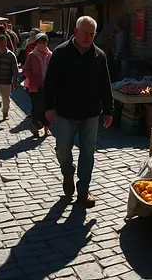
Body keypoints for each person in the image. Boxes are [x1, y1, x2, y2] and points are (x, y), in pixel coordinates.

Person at [44, 16, 114, 208]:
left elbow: (105, 85)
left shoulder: (99, 56)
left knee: (88, 152)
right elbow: (49, 83)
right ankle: (67, 172)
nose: (88, 37)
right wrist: (48, 107)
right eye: (85, 33)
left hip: (91, 113)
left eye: (92, 34)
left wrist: (108, 110)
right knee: (62, 149)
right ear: (76, 32)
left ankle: (83, 190)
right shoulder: (60, 53)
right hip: (66, 112)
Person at [24, 33, 53, 137]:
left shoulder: (50, 54)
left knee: (48, 107)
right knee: (37, 108)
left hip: (48, 86)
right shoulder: (32, 55)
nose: (42, 45)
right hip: (35, 86)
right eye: (40, 42)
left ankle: (46, 128)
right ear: (36, 43)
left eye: (44, 42)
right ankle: (35, 126)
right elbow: (26, 69)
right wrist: (34, 79)